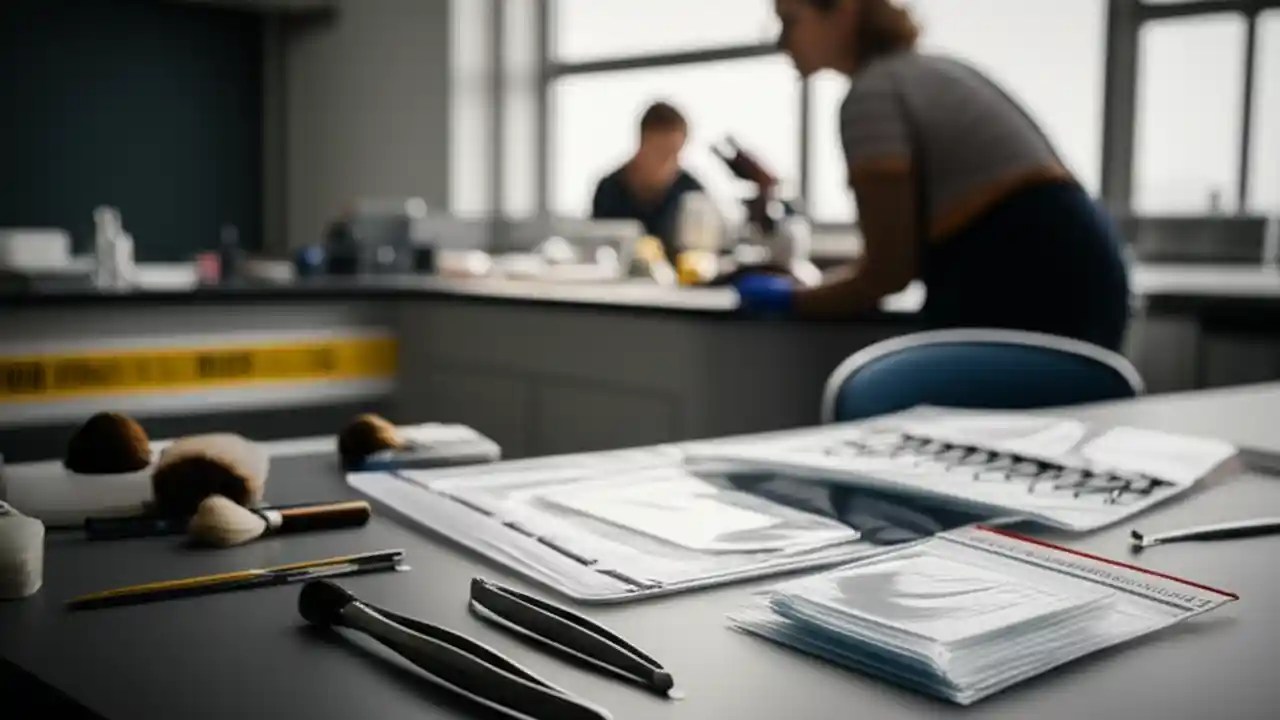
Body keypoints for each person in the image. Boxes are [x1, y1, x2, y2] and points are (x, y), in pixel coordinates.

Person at [739, 0, 1130, 351]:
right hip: (1086, 275)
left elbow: (888, 272)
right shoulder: (932, 72)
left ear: (844, 9)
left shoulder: (873, 94)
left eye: (790, 22)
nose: (782, 41)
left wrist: (791, 299)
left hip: (1023, 285)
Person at [592, 102, 706, 260]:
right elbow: (598, 249)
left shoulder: (691, 192)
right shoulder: (609, 190)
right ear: (642, 142)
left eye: (676, 153)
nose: (670, 162)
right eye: (662, 152)